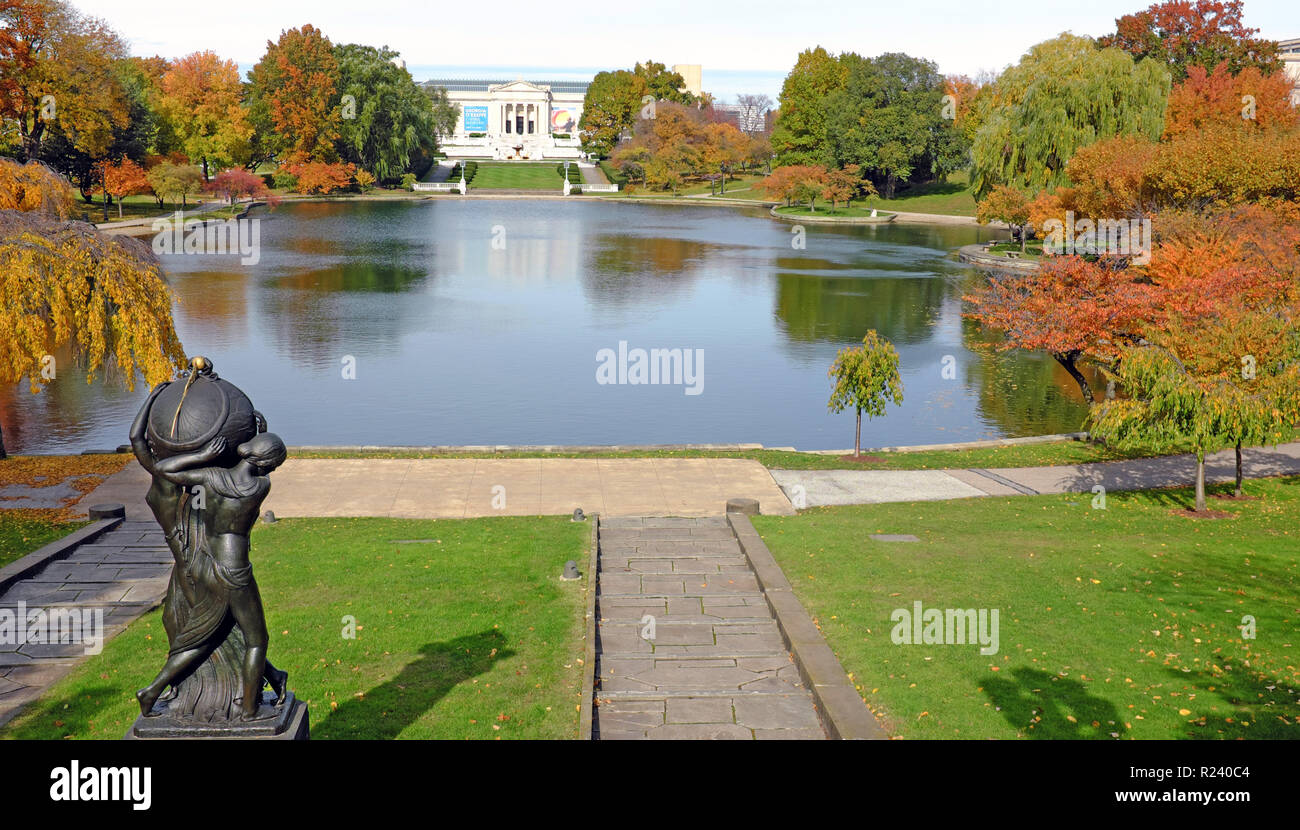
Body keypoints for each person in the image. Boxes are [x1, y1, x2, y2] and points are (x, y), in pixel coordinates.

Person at [135, 432, 288, 720]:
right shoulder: (260, 486)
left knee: (214, 634)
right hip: (235, 571)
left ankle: (151, 692)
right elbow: (257, 467)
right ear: (266, 464)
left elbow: (164, 469)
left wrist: (202, 455)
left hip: (208, 566)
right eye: (274, 464)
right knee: (256, 640)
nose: (273, 470)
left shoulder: (211, 478)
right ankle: (250, 710)